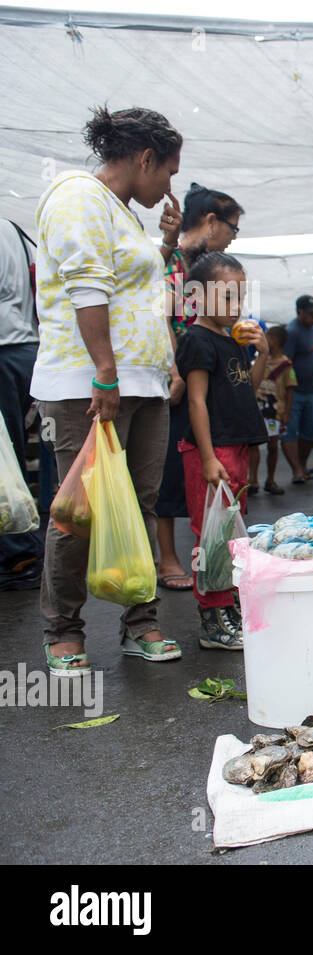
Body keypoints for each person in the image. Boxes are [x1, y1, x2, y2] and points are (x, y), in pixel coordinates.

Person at [33, 104, 184, 672]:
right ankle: (62, 629)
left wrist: (165, 247)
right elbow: (87, 289)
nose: (169, 185)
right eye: (168, 171)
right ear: (145, 158)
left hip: (141, 385)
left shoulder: (124, 214)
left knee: (139, 507)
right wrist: (105, 372)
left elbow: (134, 291)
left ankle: (139, 622)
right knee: (82, 509)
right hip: (88, 385)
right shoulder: (78, 196)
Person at [176, 252, 268, 649]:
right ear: (197, 297)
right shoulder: (196, 341)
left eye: (241, 297)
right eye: (228, 297)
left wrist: (263, 351)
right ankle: (211, 617)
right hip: (210, 452)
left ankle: (227, 604)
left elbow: (248, 385)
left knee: (230, 533)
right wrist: (209, 457)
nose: (237, 307)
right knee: (210, 536)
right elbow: (196, 401)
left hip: (236, 447)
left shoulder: (232, 339)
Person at [157, 181, 243, 588]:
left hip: (201, 372)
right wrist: (175, 369)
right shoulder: (174, 263)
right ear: (212, 222)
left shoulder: (210, 274)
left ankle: (215, 570)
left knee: (198, 475)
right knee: (175, 472)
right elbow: (164, 318)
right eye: (233, 228)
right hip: (179, 375)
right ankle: (169, 558)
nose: (232, 238)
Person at [0, 219, 42, 590]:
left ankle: (18, 553)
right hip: (26, 349)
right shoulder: (17, 230)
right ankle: (22, 548)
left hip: (5, 349)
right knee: (11, 454)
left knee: (6, 459)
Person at [283, 294, 313, 484]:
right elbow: (285, 363)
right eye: (310, 314)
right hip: (295, 391)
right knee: (290, 431)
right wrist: (289, 387)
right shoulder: (292, 332)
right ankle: (296, 470)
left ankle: (302, 464)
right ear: (299, 313)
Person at [248, 324, 294, 495]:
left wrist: (287, 412)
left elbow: (290, 389)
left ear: (274, 341)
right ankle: (252, 480)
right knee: (254, 445)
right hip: (257, 409)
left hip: (275, 412)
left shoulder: (286, 365)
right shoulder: (258, 361)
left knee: (273, 446)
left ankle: (270, 479)